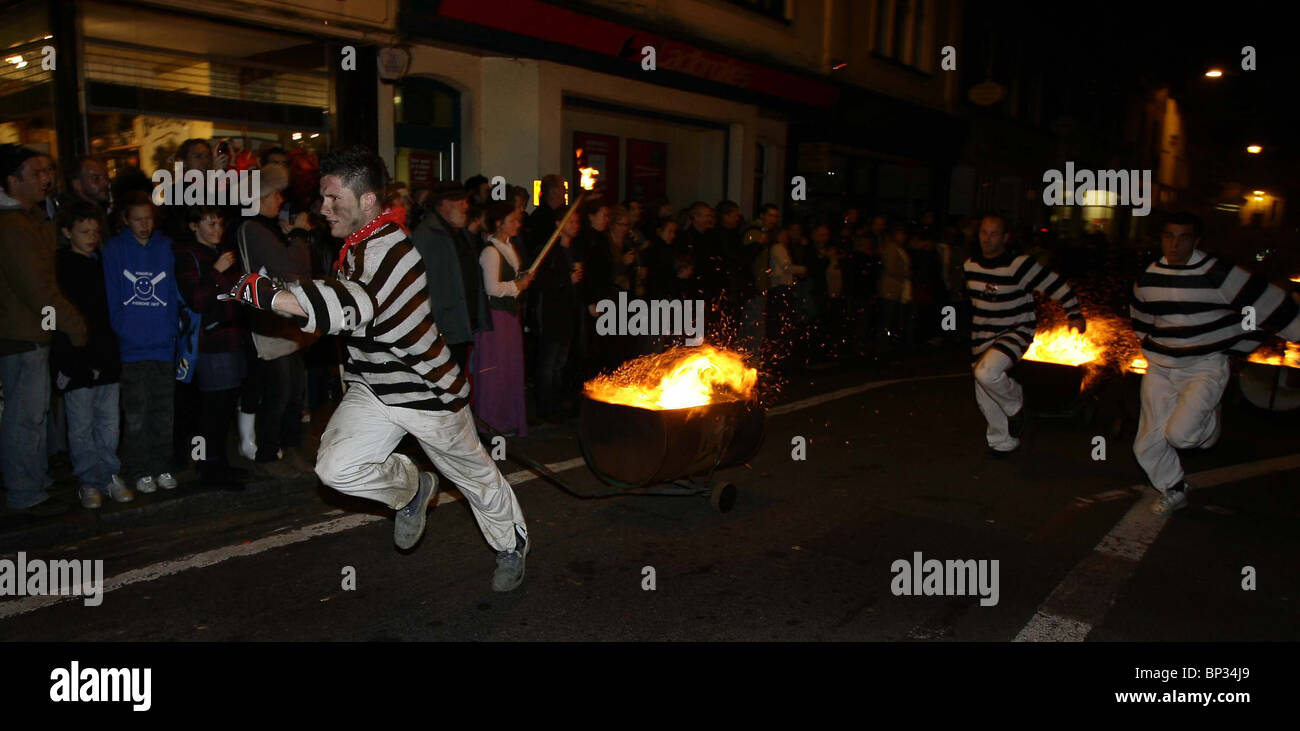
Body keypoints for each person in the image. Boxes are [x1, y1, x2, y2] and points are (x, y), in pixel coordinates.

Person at [221, 145, 530, 591]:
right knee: (335, 468)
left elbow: (353, 306)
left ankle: (510, 545)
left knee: (474, 476)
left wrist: (272, 295)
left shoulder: (391, 247)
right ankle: (412, 489)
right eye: (322, 198)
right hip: (374, 387)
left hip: (427, 391)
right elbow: (340, 299)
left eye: (333, 199)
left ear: (367, 201)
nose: (322, 208)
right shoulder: (356, 244)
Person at [1130, 212, 1300, 514]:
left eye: (1183, 238)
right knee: (1145, 444)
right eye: (1169, 236)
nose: (1174, 245)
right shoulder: (1148, 276)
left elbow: (1270, 304)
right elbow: (1141, 318)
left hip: (1204, 366)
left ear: (1196, 241)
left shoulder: (1219, 274)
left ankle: (1208, 422)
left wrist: (1240, 346)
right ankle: (1175, 487)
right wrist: (1154, 349)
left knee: (1181, 437)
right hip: (1160, 368)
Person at [0, 145, 88, 515]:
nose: (46, 179)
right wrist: (75, 325)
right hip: (20, 337)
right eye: (36, 173)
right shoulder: (12, 226)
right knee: (25, 415)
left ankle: (34, 480)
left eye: (48, 171)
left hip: (32, 333)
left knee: (33, 414)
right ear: (12, 180)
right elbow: (37, 289)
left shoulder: (32, 219)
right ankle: (25, 492)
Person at [964, 213, 1085, 456]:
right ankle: (1003, 442)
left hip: (1015, 331)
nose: (987, 239)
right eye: (983, 233)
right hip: (983, 335)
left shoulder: (1019, 264)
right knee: (984, 392)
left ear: (1006, 237)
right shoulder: (970, 266)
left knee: (986, 372)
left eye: (994, 233)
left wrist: (1073, 313)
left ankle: (1015, 402)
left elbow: (1055, 284)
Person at [236, 165, 316, 478]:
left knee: (294, 390)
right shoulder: (253, 229)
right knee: (279, 391)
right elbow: (289, 267)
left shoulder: (265, 228)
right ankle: (269, 455)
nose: (279, 199)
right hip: (267, 320)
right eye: (274, 194)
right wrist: (298, 235)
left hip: (281, 320)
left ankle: (291, 448)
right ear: (258, 197)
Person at [53, 201, 133, 508]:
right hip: (76, 357)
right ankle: (88, 479)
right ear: (67, 232)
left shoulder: (103, 263)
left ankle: (109, 474)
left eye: (95, 232)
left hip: (106, 353)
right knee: (82, 423)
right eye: (83, 231)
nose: (90, 237)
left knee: (109, 421)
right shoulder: (62, 267)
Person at [102, 191, 182, 494]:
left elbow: (173, 292)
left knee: (163, 410)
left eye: (148, 218)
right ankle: (140, 468)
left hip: (163, 344)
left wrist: (170, 330)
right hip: (132, 347)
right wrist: (124, 331)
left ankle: (161, 465)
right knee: (136, 413)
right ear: (126, 220)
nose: (144, 225)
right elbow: (113, 296)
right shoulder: (115, 249)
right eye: (137, 219)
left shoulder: (166, 247)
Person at [174, 206, 248, 490]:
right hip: (209, 343)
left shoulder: (221, 253)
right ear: (194, 226)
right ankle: (207, 466)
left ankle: (220, 463)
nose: (217, 230)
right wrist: (216, 272)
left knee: (226, 406)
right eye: (210, 224)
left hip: (230, 339)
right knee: (212, 409)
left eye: (220, 224)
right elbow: (196, 299)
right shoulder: (188, 256)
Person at [409, 181, 491, 376]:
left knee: (456, 382)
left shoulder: (459, 233)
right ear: (444, 204)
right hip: (441, 329)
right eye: (460, 202)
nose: (466, 206)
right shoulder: (426, 235)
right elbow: (418, 285)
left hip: (459, 325)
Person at [473, 201, 535, 437]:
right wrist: (516, 285)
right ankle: (492, 422)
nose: (518, 224)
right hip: (495, 318)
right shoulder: (490, 251)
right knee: (496, 371)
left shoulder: (510, 246)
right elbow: (492, 288)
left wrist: (521, 279)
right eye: (513, 220)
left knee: (510, 368)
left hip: (509, 316)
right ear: (499, 224)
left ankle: (509, 420)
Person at [532, 208, 583, 421]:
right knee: (549, 363)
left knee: (560, 363)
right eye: (569, 221)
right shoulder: (548, 252)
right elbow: (542, 284)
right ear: (558, 224)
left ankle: (555, 403)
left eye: (576, 222)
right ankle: (545, 407)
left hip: (568, 315)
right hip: (552, 316)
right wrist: (566, 280)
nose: (574, 226)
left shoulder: (574, 250)